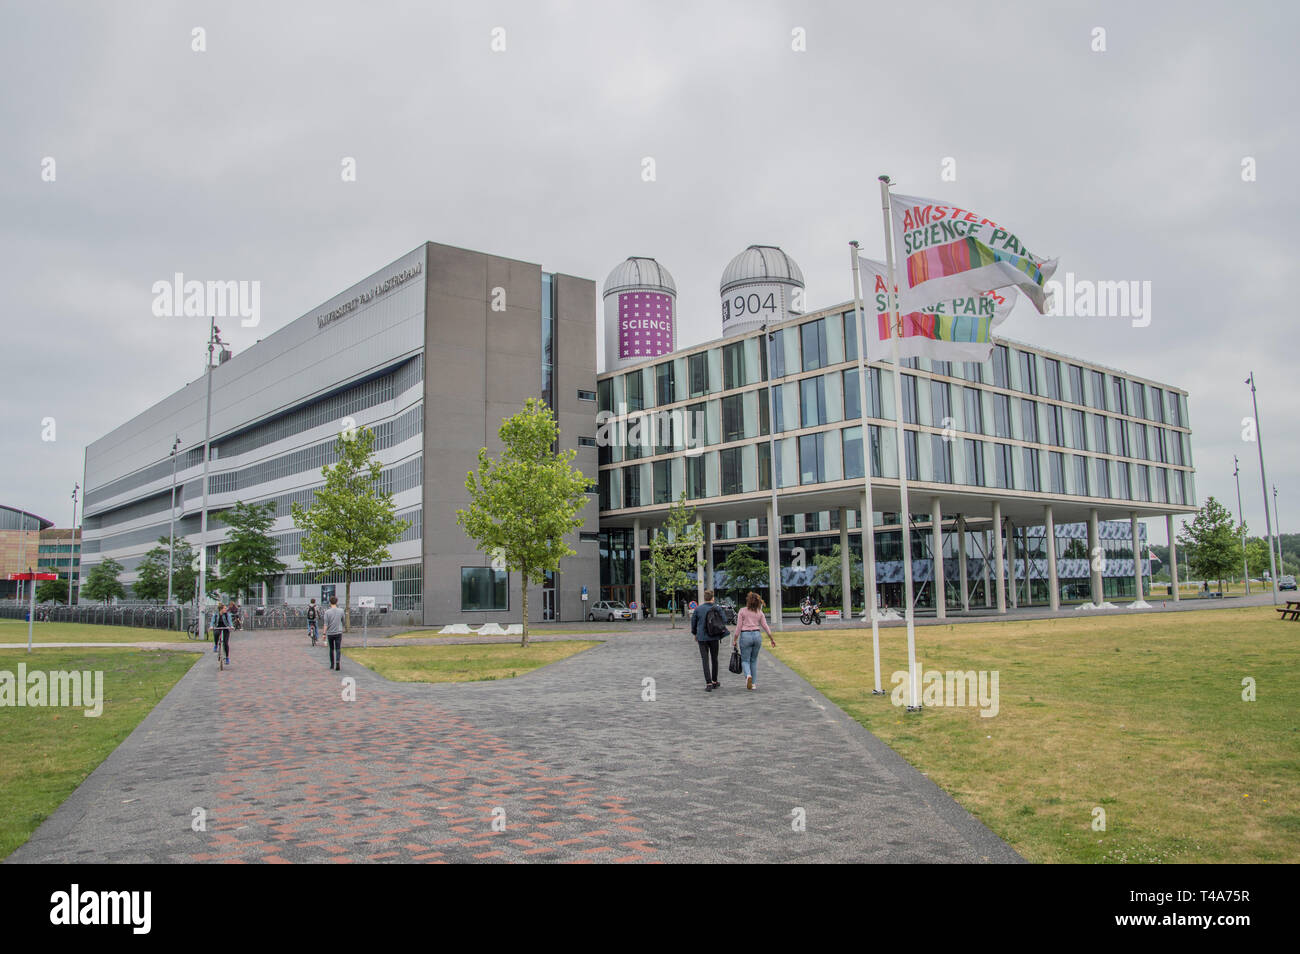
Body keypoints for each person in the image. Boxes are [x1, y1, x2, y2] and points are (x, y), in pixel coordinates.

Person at [732, 591, 776, 691]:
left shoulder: (742, 611)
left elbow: (738, 628)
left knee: (745, 660)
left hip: (745, 635)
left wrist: (735, 639)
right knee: (754, 660)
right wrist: (771, 639)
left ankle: (748, 675)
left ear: (748, 601)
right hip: (757, 635)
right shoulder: (759, 612)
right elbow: (765, 626)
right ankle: (754, 683)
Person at [690, 589, 728, 692]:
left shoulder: (698, 609)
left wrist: (695, 633)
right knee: (714, 659)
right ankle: (715, 681)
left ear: (704, 598)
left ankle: (708, 683)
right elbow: (724, 620)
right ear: (713, 598)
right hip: (714, 636)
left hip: (702, 637)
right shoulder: (717, 608)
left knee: (705, 660)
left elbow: (693, 623)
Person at [323, 595, 345, 671]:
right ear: (337, 602)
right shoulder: (341, 611)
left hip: (330, 633)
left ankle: (332, 664)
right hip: (338, 632)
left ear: (330, 602)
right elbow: (343, 620)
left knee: (331, 649)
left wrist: (324, 634)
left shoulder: (327, 612)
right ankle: (338, 662)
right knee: (338, 648)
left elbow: (325, 624)